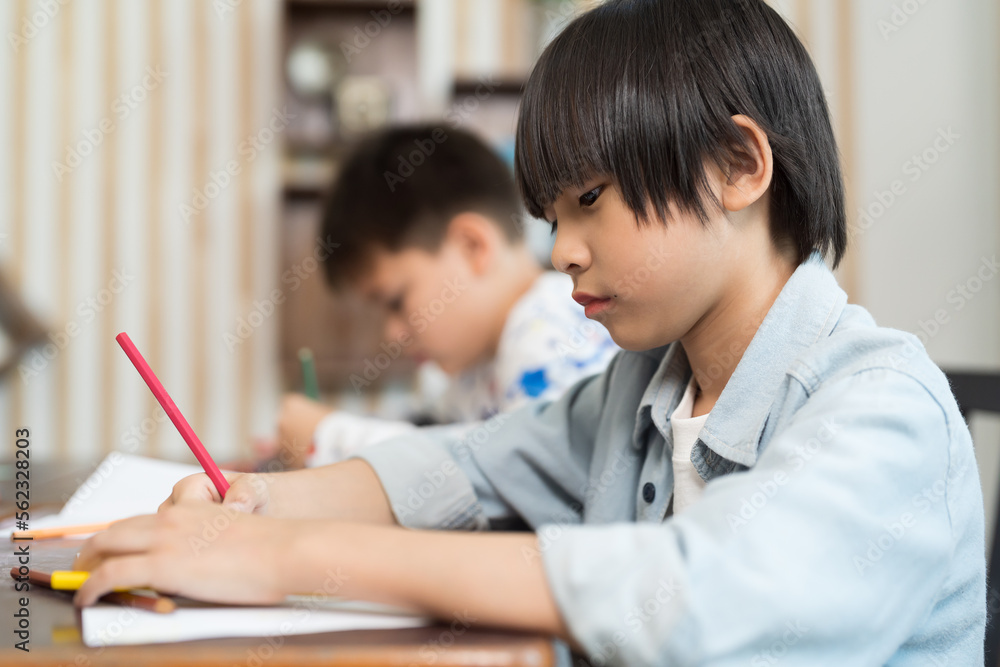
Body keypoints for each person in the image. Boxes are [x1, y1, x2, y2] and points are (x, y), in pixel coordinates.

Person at [73, 1, 986, 664]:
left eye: (590, 199)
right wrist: (258, 507)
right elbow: (466, 464)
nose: (563, 255)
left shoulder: (885, 408)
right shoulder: (642, 388)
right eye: (552, 216)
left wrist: (289, 560)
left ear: (739, 165)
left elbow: (698, 589)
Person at [266, 125, 618, 468]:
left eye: (396, 301)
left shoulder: (548, 331)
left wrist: (332, 439)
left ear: (472, 247)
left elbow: (512, 480)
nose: (393, 334)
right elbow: (442, 437)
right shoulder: (477, 363)